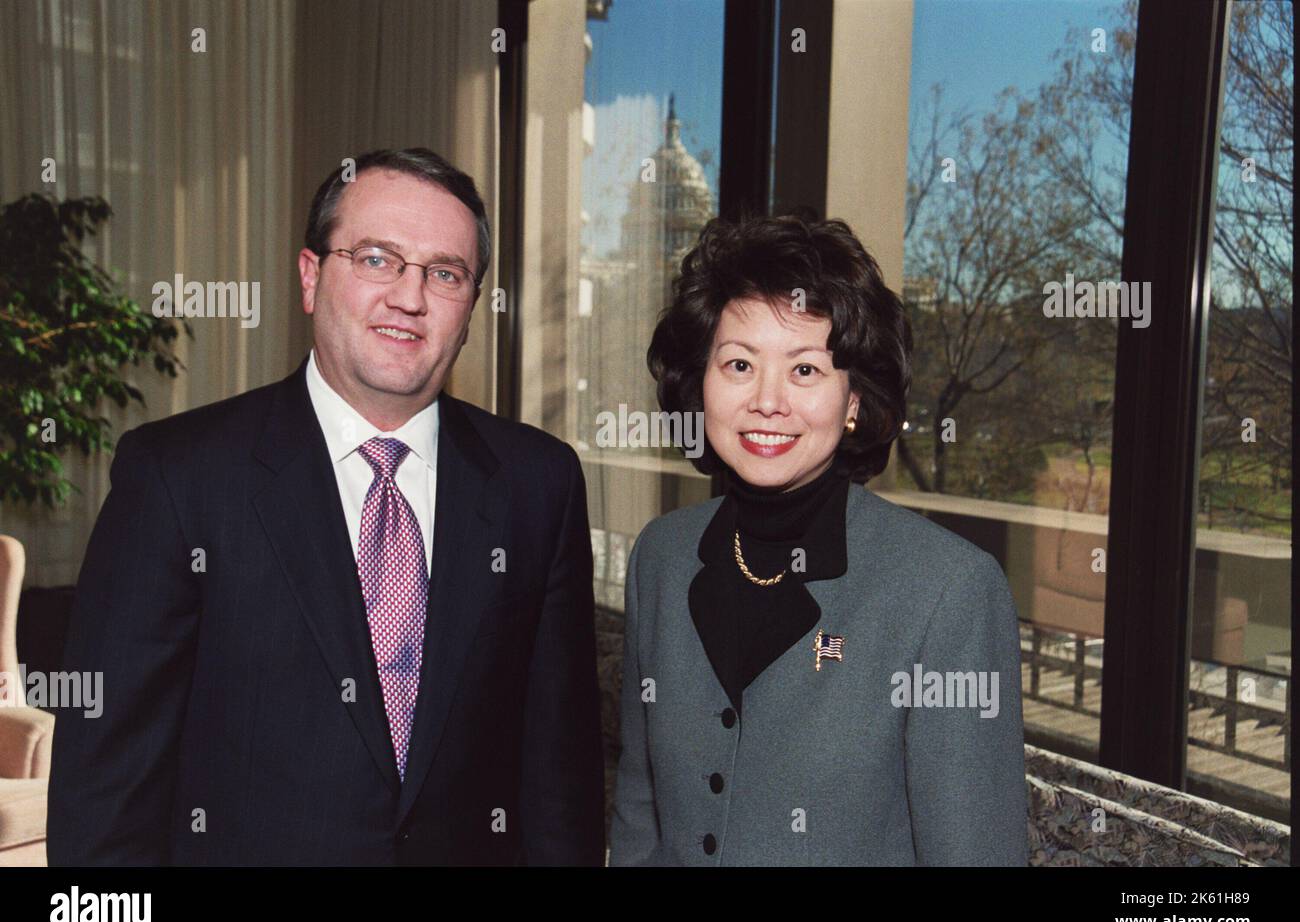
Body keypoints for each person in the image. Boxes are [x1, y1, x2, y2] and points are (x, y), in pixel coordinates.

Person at [46, 148, 605, 865]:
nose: (410, 297)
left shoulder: (539, 484)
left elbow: (560, 778)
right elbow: (105, 791)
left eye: (445, 273)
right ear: (311, 278)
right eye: (377, 259)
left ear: (471, 309)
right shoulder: (178, 476)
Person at [608, 213, 1028, 866]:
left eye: (805, 371)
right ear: (699, 385)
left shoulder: (948, 592)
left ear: (853, 400)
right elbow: (641, 807)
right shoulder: (659, 558)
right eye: (739, 364)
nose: (767, 400)